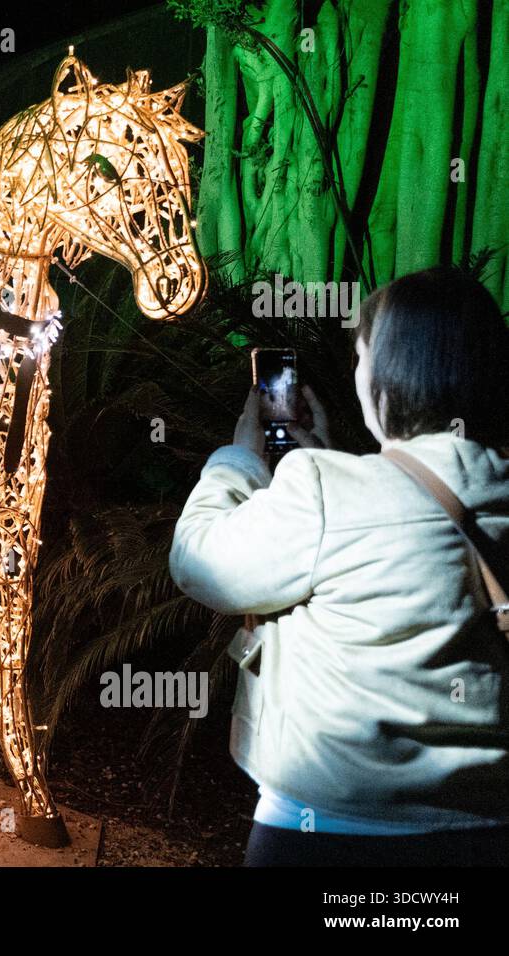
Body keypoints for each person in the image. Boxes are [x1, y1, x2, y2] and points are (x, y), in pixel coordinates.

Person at [170, 267, 509, 866]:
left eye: (361, 358)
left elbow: (201, 562)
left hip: (326, 833)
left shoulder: (325, 490)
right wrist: (333, 462)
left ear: (392, 374)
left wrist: (239, 459)